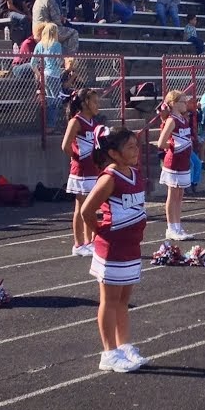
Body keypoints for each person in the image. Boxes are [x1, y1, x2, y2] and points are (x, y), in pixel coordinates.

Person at [80, 127, 147, 373]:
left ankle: (124, 345)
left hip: (131, 248)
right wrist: (100, 232)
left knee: (124, 301)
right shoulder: (109, 178)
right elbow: (87, 210)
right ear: (113, 153)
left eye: (136, 146)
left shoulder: (135, 173)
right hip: (112, 249)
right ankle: (108, 353)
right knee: (109, 302)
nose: (135, 150)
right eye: (129, 147)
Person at [62, 88, 103, 256]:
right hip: (81, 172)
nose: (97, 105)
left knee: (91, 208)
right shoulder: (76, 121)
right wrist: (79, 158)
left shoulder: (94, 123)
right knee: (81, 207)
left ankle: (90, 241)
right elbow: (65, 146)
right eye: (94, 101)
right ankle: (78, 245)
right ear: (85, 103)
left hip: (93, 170)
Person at [155, 90, 197, 241]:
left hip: (184, 162)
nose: (185, 104)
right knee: (172, 196)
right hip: (173, 162)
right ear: (173, 104)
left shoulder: (184, 120)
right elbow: (161, 143)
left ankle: (178, 226)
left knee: (180, 196)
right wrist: (174, 146)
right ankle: (171, 228)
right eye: (182, 102)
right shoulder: (172, 120)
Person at [35, 22, 66, 126]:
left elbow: (32, 62)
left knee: (49, 99)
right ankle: (51, 125)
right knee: (57, 100)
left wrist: (39, 74)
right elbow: (58, 62)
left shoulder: (39, 44)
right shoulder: (57, 45)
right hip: (54, 74)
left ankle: (47, 123)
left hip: (45, 75)